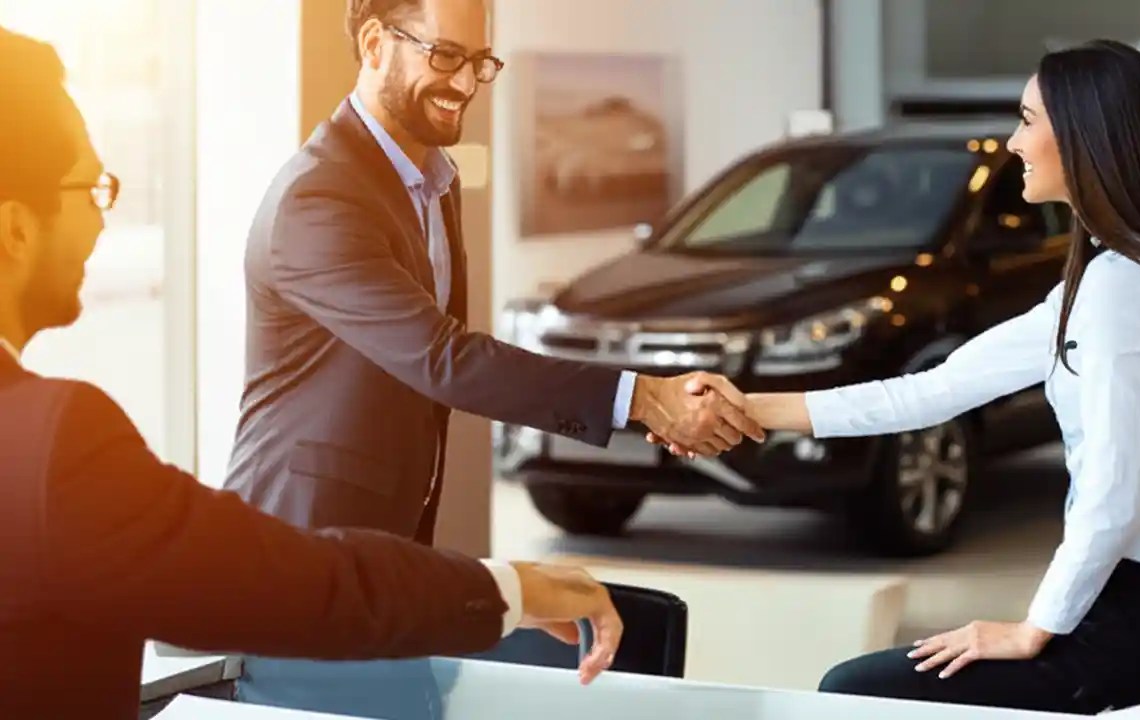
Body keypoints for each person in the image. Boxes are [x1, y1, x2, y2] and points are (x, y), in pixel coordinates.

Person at [0, 27, 621, 719]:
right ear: (15, 231)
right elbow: (301, 585)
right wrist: (512, 589)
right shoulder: (48, 444)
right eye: (93, 189)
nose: (99, 223)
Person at [726, 40, 1140, 713]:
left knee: (853, 694)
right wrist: (747, 408)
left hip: (1135, 624)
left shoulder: (1125, 289)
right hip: (1128, 605)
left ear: (1086, 139)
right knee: (863, 689)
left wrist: (1035, 629)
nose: (1012, 143)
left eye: (1027, 121)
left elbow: (1117, 495)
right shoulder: (1106, 283)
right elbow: (933, 390)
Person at [224, 0, 762, 544]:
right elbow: (444, 359)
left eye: (478, 61)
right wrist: (643, 399)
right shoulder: (319, 197)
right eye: (444, 56)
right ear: (373, 45)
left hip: (383, 532)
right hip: (291, 536)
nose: (464, 84)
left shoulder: (434, 181)